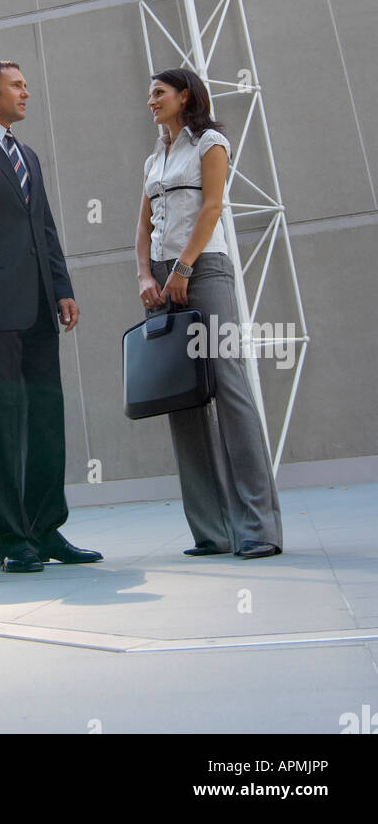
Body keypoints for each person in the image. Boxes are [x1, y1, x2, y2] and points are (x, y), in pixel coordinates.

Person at [0, 59, 102, 573]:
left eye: (27, 85)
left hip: (37, 308)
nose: (27, 92)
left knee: (48, 420)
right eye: (16, 85)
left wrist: (63, 288)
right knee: (3, 424)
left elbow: (44, 229)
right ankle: (14, 540)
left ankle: (48, 529)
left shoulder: (27, 154)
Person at [135, 67, 283, 559]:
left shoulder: (210, 142)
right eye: (150, 94)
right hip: (163, 277)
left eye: (159, 93)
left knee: (230, 386)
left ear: (184, 95)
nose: (151, 100)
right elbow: (142, 224)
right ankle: (212, 531)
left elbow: (212, 207)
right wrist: (146, 276)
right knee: (181, 397)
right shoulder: (154, 159)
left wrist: (182, 268)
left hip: (205, 269)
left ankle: (258, 526)